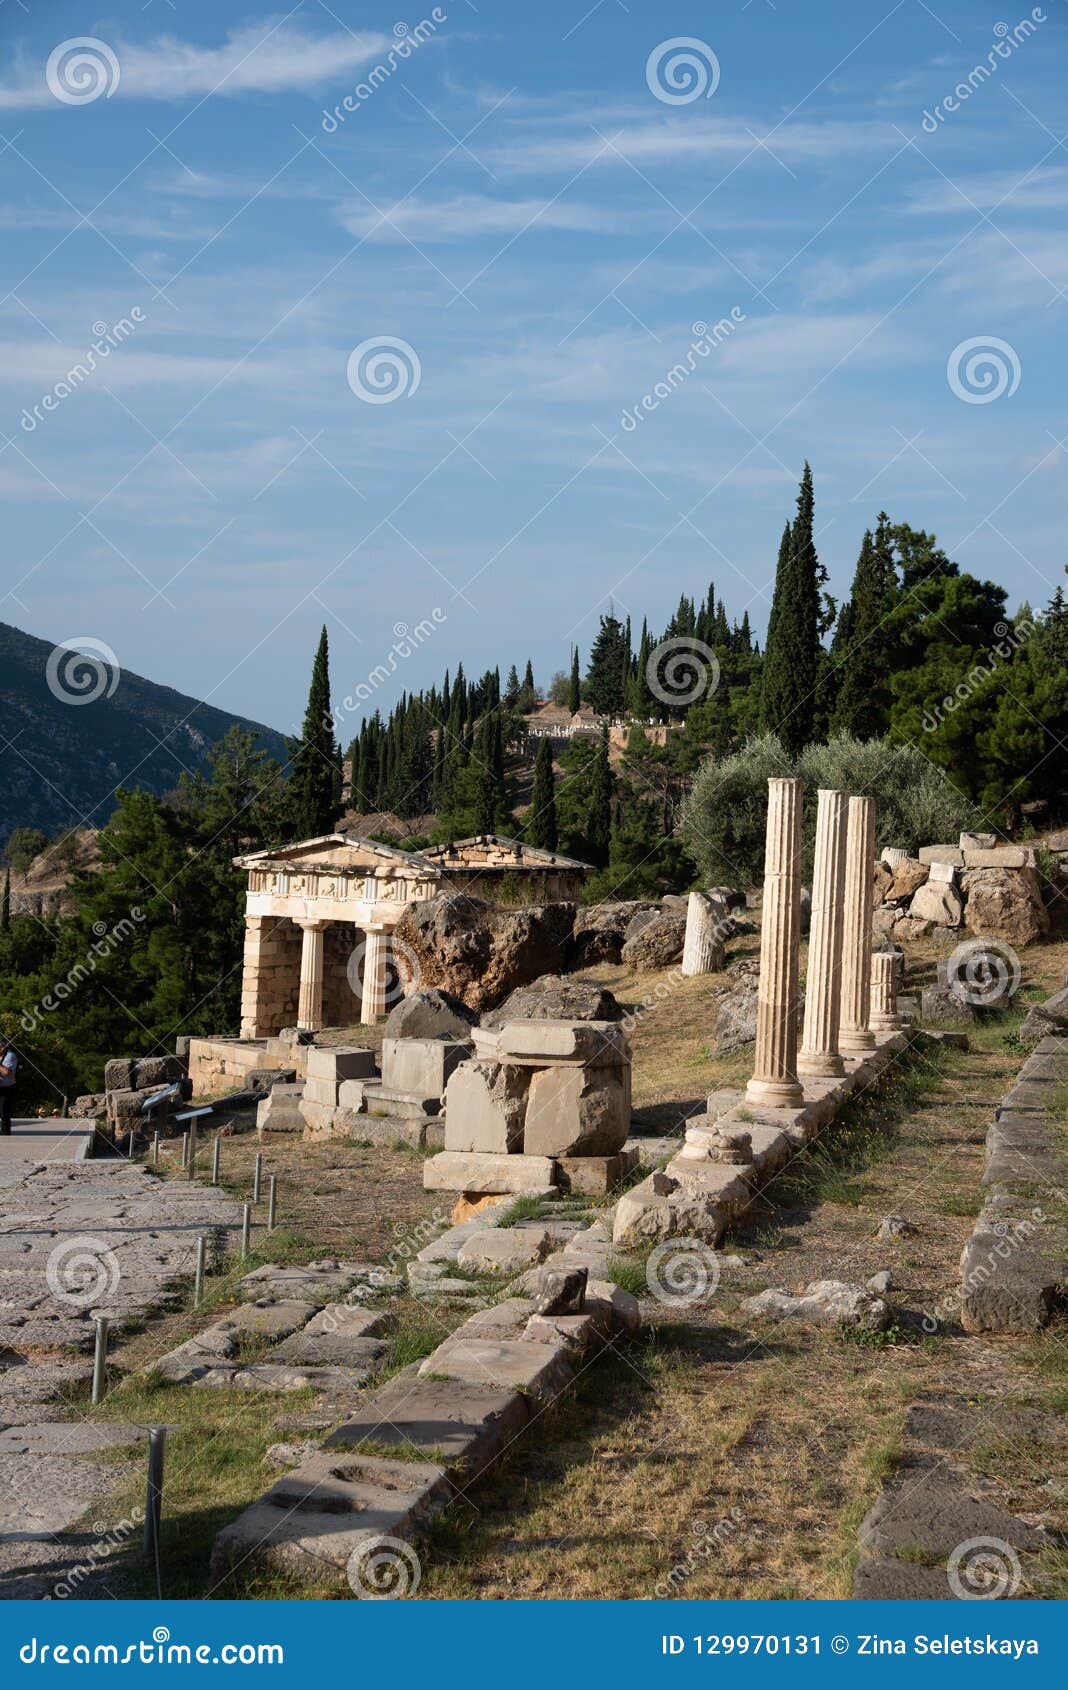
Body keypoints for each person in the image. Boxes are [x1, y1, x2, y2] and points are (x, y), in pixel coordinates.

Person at [0, 1036, 17, 1135]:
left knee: (4, 1113)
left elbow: (7, 1072)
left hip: (6, 1088)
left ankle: (5, 1135)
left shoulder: (10, 1056)